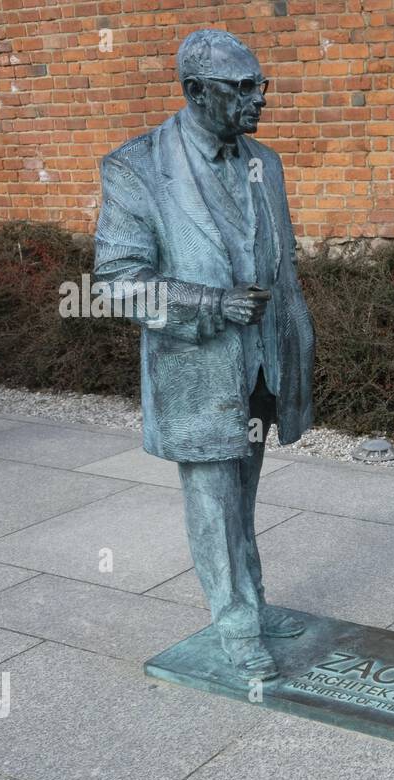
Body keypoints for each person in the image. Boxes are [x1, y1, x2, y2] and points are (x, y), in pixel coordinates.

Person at [93, 29, 315, 682]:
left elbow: (282, 259)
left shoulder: (265, 162)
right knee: (213, 501)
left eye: (260, 86)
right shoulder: (135, 166)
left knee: (241, 497)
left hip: (263, 363)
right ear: (194, 92)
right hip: (197, 365)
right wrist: (211, 303)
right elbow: (116, 283)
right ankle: (236, 627)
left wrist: (297, 342)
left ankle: (251, 600)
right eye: (241, 88)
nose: (258, 100)